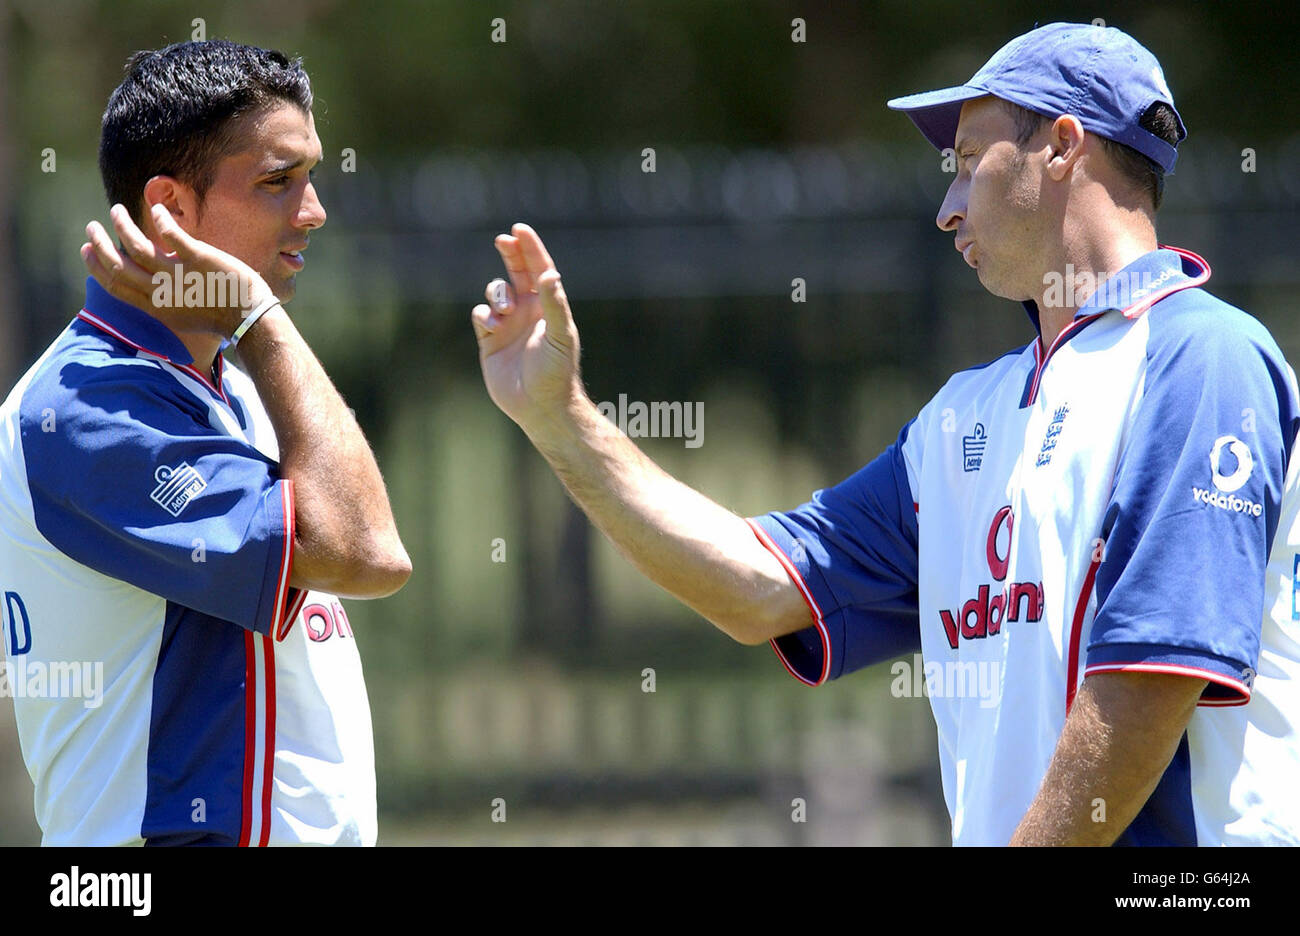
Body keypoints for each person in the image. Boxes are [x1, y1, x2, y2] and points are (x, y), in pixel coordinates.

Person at [470, 22, 1300, 845]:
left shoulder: (1204, 357)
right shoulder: (961, 416)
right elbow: (758, 588)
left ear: (1062, 145)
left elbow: (1150, 684)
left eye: (970, 161)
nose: (947, 208)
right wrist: (562, 420)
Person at [0, 40, 411, 845]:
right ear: (170, 208)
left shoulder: (238, 389)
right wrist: (257, 314)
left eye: (312, 176)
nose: (314, 211)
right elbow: (368, 550)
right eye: (276, 181)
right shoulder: (87, 411)